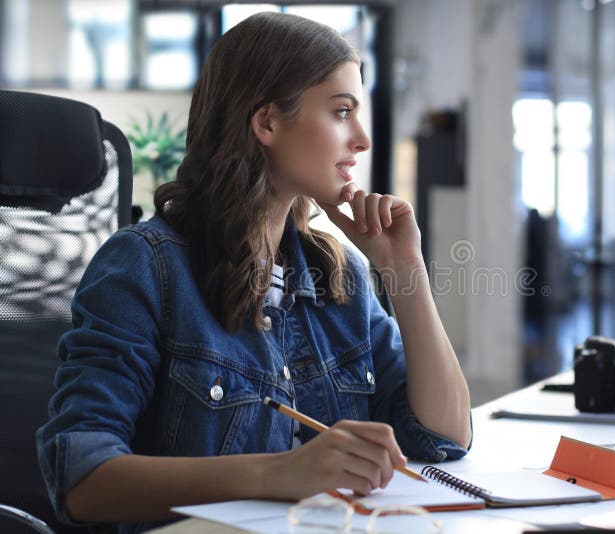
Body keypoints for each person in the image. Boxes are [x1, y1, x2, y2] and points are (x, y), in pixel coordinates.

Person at [37, 12, 472, 533]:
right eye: (340, 111)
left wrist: (404, 270)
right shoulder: (145, 265)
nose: (361, 139)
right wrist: (278, 473)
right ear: (266, 122)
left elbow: (442, 439)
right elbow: (81, 479)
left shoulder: (340, 275)